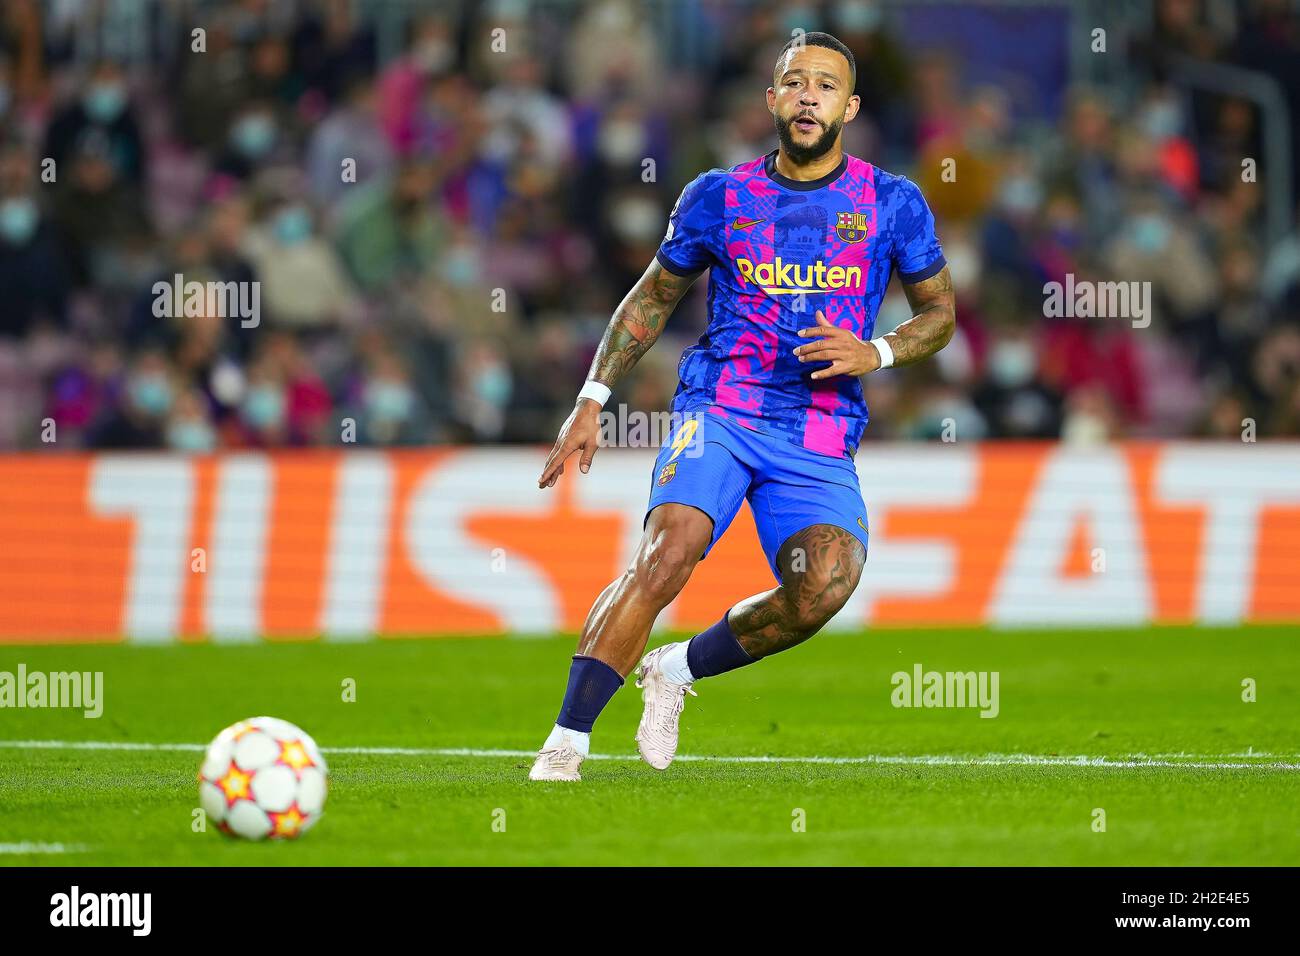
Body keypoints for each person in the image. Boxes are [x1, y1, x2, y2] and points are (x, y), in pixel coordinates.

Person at [529, 33, 956, 781]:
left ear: (850, 107)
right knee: (669, 552)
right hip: (721, 409)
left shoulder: (893, 201)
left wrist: (877, 351)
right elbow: (652, 299)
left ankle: (677, 670)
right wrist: (592, 399)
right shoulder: (718, 196)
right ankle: (566, 742)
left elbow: (940, 313)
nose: (808, 96)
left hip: (818, 429)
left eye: (826, 86)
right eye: (794, 82)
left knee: (824, 583)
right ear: (771, 99)